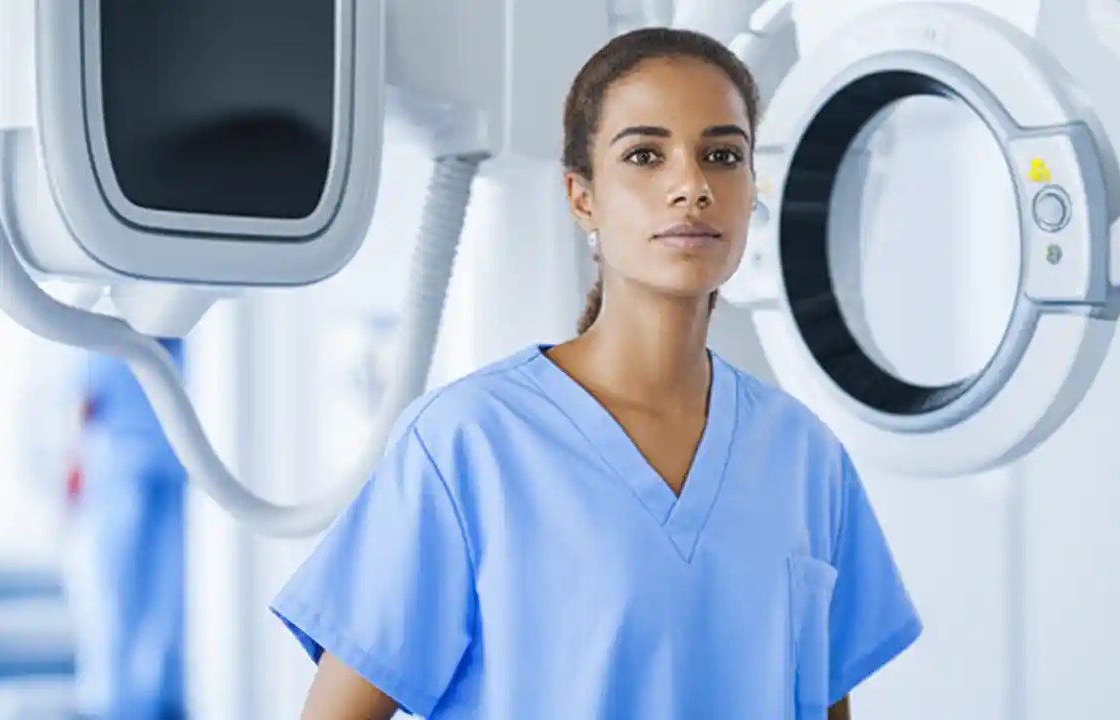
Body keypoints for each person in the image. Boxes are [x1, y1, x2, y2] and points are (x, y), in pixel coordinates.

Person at [270, 27, 922, 720]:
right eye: (646, 154)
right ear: (583, 197)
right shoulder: (468, 444)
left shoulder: (803, 457)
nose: (692, 186)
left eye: (722, 155)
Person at [67, 338, 188, 720]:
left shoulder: (183, 334)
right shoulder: (103, 333)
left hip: (170, 470)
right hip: (126, 468)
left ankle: (155, 703)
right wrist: (74, 465)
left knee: (166, 600)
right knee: (121, 603)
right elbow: (85, 400)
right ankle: (115, 706)